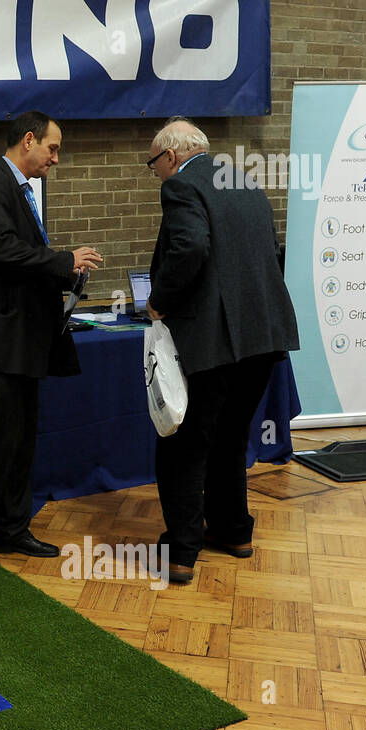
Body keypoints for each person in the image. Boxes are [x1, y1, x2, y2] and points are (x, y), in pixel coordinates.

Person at [0, 111, 103, 565]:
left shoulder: (18, 191)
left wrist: (65, 272)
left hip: (18, 342)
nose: (56, 159)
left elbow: (18, 263)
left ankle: (10, 528)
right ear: (28, 141)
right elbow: (4, 251)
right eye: (52, 148)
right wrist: (63, 260)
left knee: (21, 438)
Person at [144, 118, 299, 585]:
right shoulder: (245, 182)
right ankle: (235, 533)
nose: (156, 174)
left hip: (214, 342)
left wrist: (159, 301)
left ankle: (182, 553)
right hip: (263, 337)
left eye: (154, 164)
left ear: (171, 156)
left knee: (186, 444)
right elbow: (271, 254)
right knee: (232, 438)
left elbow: (190, 248)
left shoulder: (182, 187)